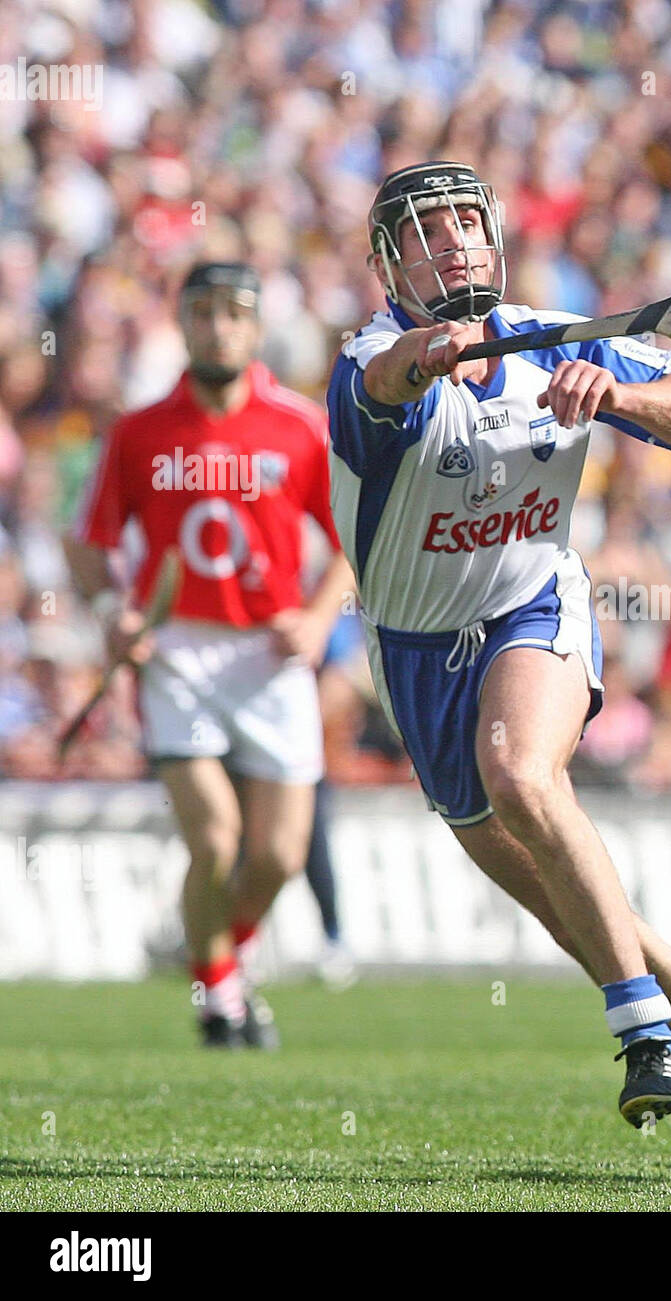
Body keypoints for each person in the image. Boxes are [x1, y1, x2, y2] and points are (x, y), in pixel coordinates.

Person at [325, 161, 671, 1169]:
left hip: (532, 603)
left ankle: (641, 1035)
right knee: (580, 908)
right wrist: (432, 354)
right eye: (425, 230)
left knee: (521, 772)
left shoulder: (562, 334)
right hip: (415, 653)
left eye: (467, 222)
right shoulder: (367, 358)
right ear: (385, 262)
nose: (453, 241)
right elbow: (386, 385)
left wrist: (617, 397)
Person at [65, 262, 354, 1048]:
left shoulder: (298, 426)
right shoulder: (140, 430)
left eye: (233, 313)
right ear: (182, 325)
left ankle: (223, 951)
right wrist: (110, 610)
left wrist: (319, 616)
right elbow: (87, 540)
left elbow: (354, 543)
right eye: (201, 312)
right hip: (180, 655)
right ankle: (218, 991)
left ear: (256, 328)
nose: (218, 327)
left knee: (279, 854)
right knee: (216, 839)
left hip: (271, 652)